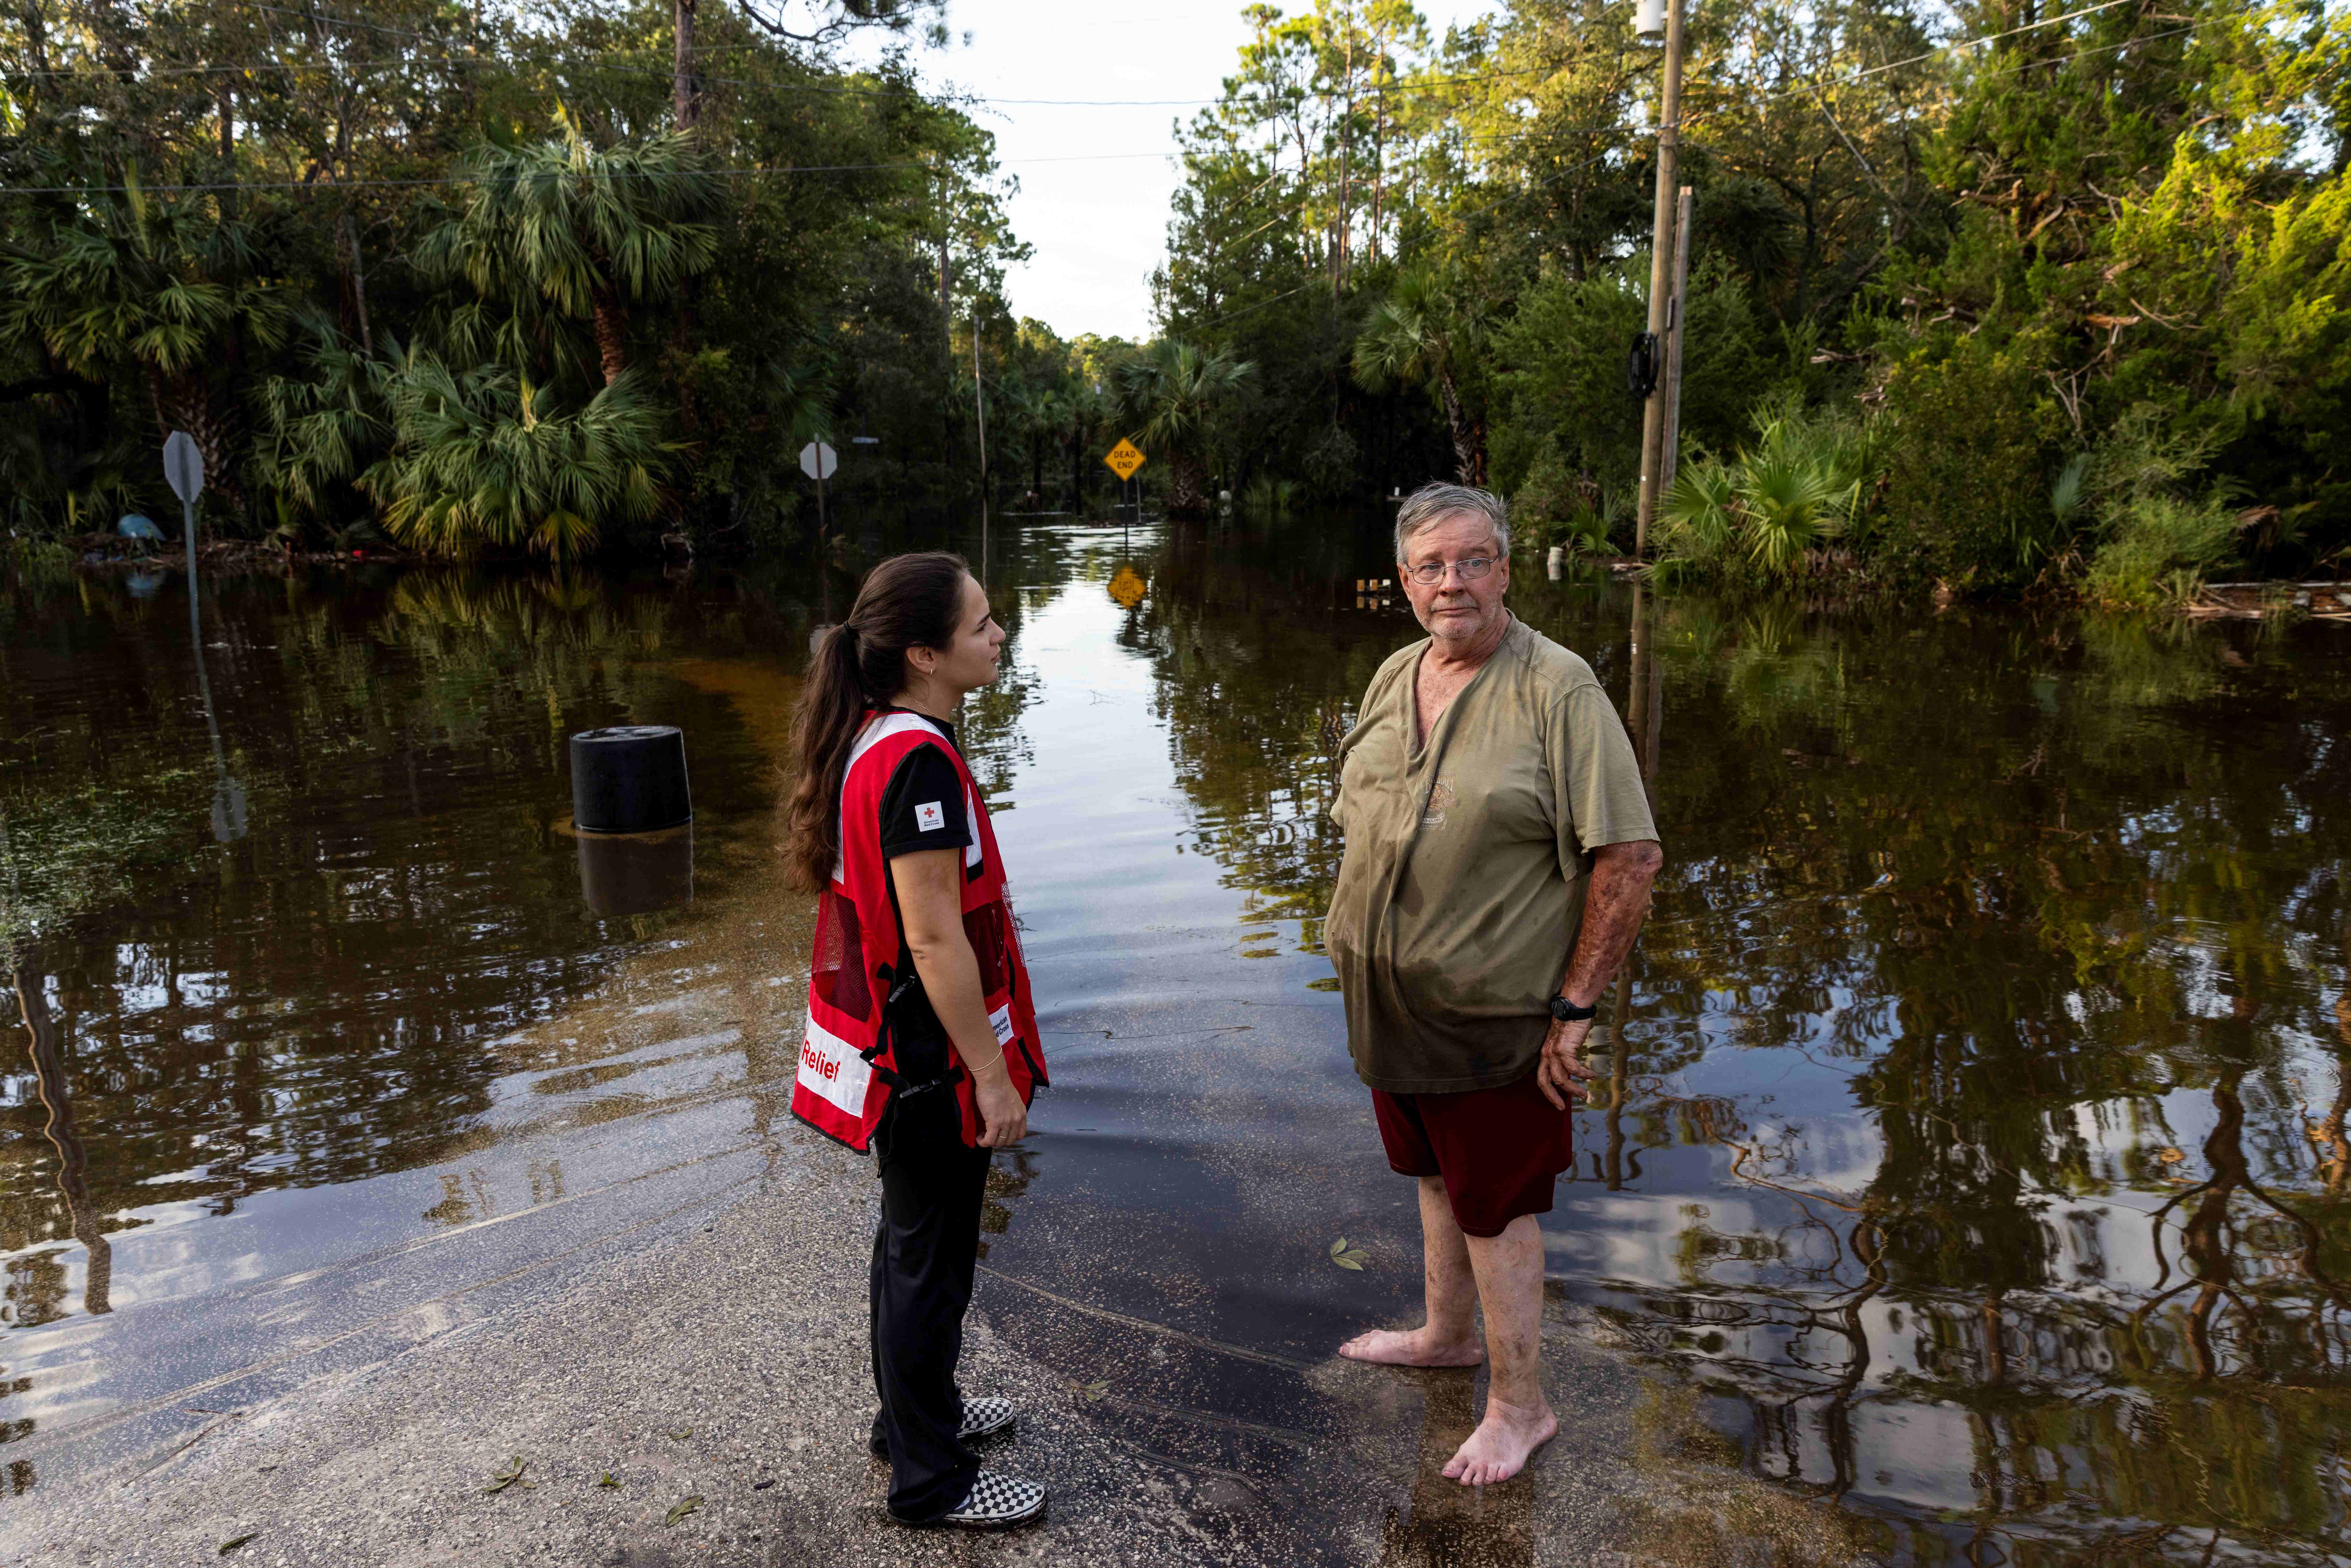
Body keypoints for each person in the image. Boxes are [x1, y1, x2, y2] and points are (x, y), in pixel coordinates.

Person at [1324, 483, 1664, 1487]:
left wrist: (1576, 1009)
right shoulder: (1396, 673)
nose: (1453, 583)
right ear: (1404, 582)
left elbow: (1631, 857)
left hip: (1498, 1017)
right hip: (1391, 1010)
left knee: (1501, 1207)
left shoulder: (1559, 689)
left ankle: (1524, 1407)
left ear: (1506, 569)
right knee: (1436, 1177)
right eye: (1431, 566)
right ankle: (1446, 1336)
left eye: (1473, 561)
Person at [783, 552, 1050, 1530]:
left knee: (914, 1253)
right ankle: (931, 1483)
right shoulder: (916, 762)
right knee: (929, 1264)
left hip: (906, 1054)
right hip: (929, 1062)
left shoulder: (883, 738)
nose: (998, 634)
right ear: (927, 654)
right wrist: (993, 1078)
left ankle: (915, 1420)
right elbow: (935, 939)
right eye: (982, 625)